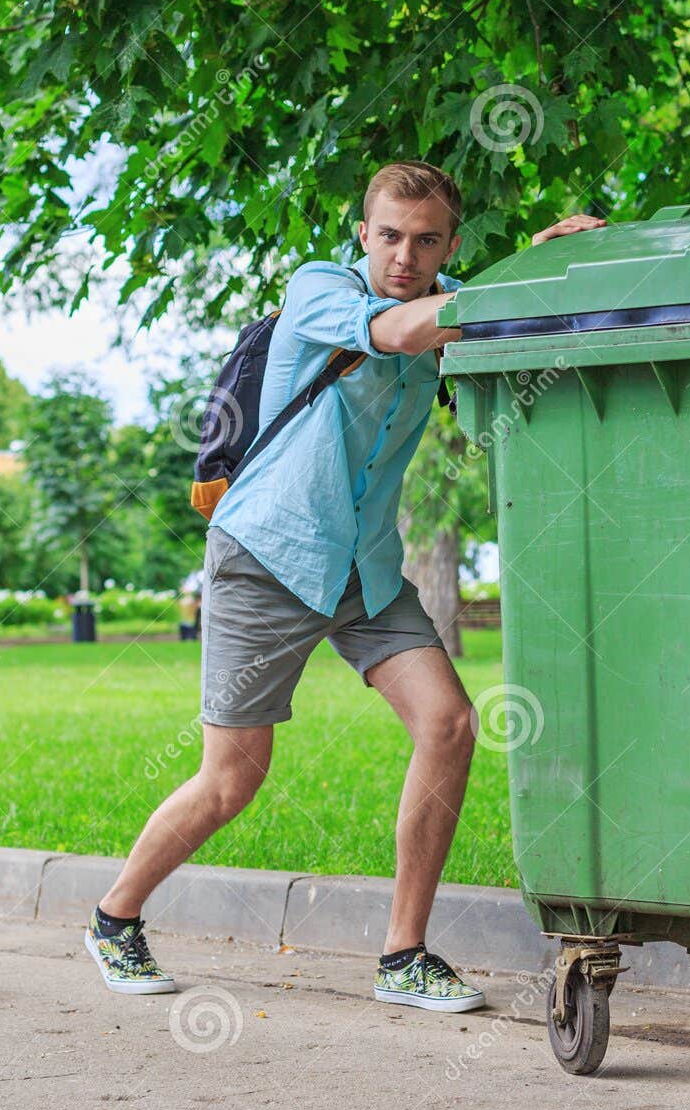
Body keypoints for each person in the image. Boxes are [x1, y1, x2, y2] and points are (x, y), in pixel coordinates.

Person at [82, 160, 604, 1012]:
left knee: (450, 723)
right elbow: (399, 332)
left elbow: (481, 316)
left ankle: (403, 955)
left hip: (364, 567)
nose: (405, 254)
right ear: (364, 232)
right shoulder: (319, 288)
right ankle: (114, 917)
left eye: (426, 239)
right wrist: (513, 285)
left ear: (450, 243)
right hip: (267, 557)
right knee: (233, 778)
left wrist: (542, 267)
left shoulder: (457, 297)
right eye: (390, 235)